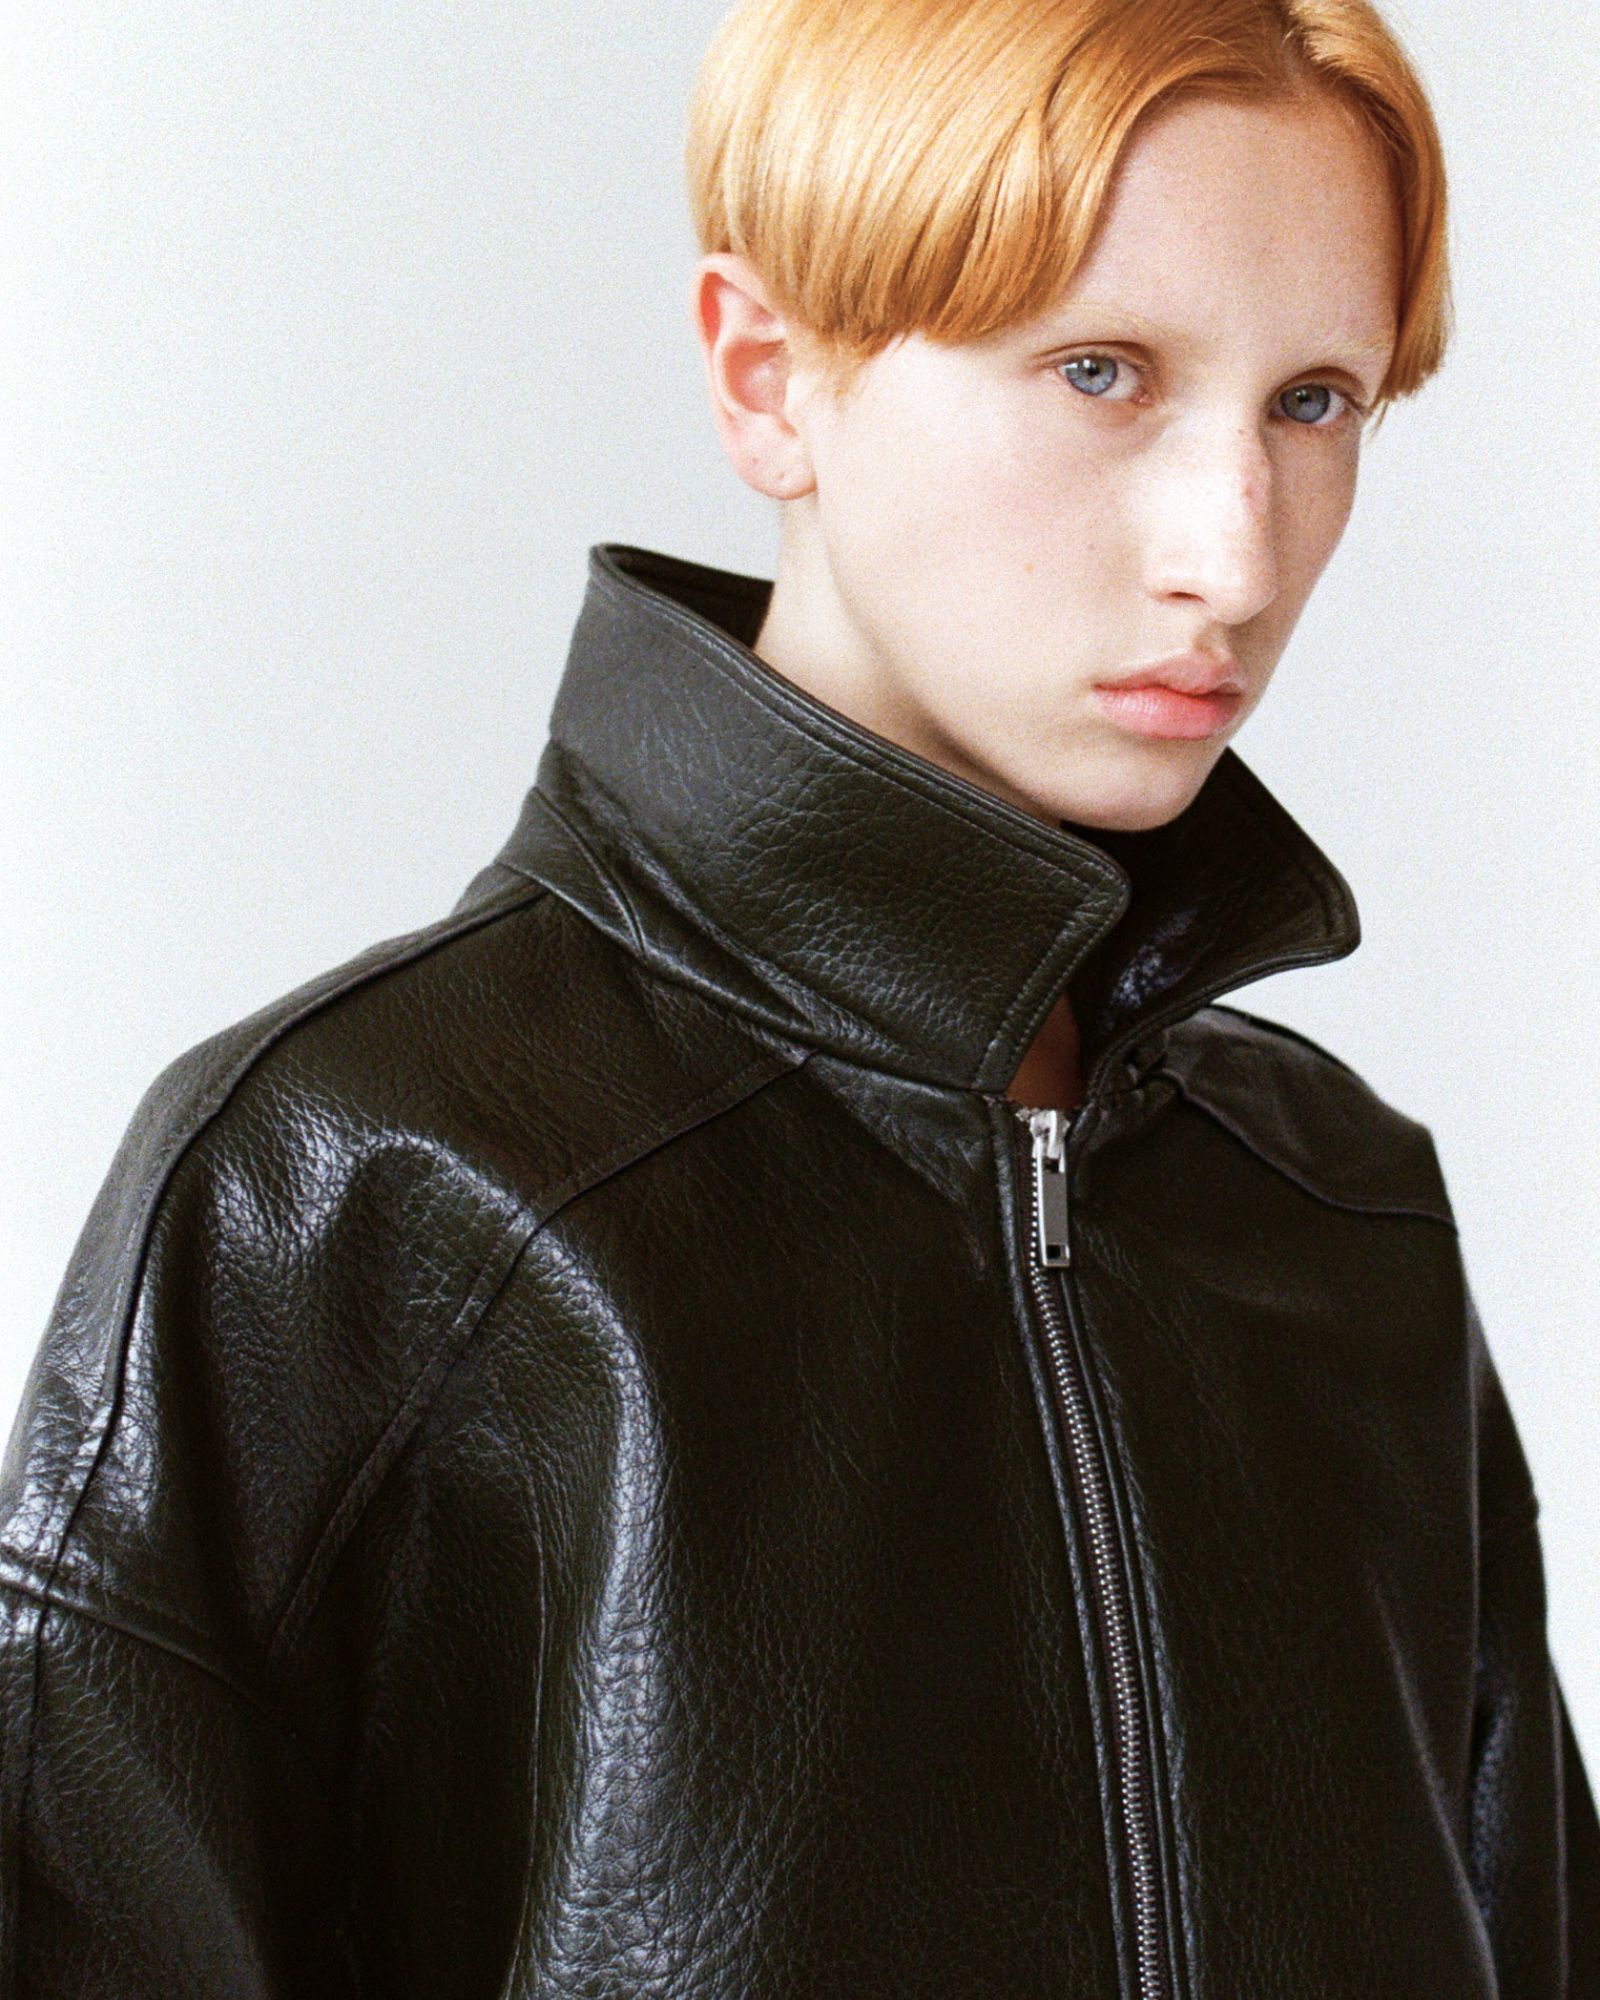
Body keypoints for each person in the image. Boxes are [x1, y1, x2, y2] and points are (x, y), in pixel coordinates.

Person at [1, 0, 1594, 1991]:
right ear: (769, 378)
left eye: (1314, 400)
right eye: (1099, 371)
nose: (1233, 553)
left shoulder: (1337, 1208)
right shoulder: (353, 1186)